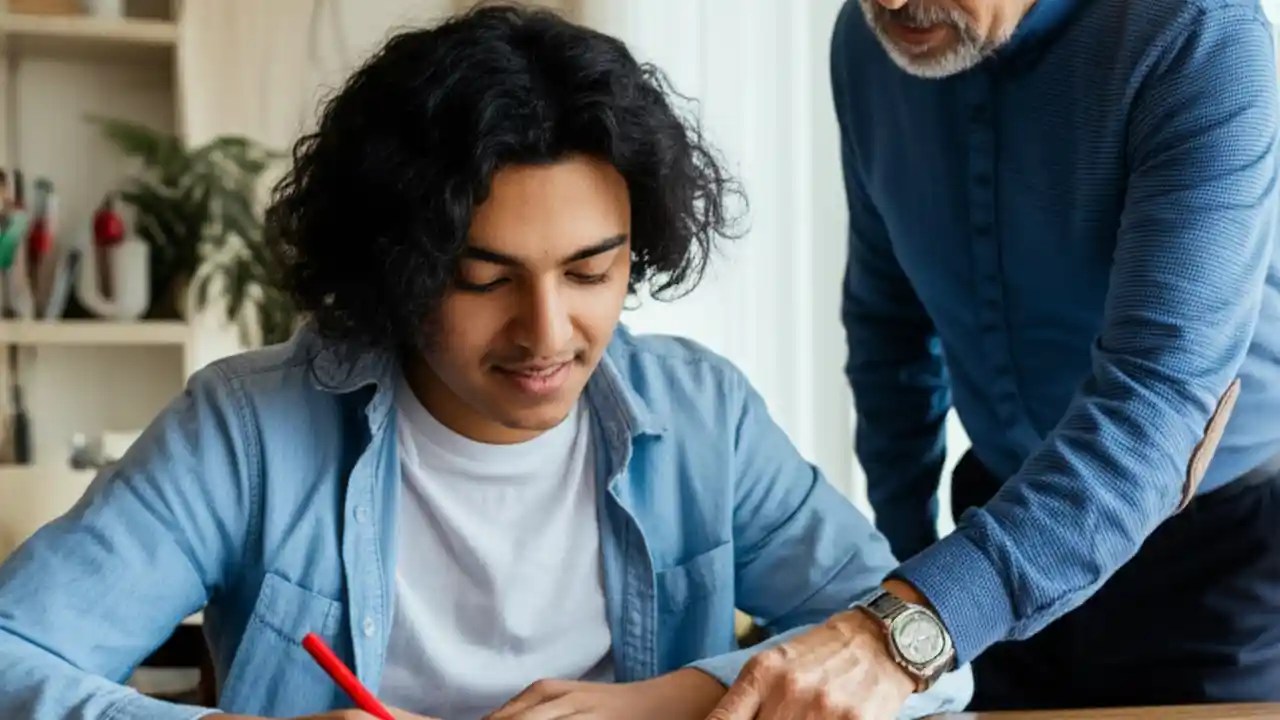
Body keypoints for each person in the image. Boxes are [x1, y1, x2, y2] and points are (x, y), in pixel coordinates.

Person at [0, 5, 972, 720]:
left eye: (592, 271)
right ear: (395, 267)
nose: (547, 333)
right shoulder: (246, 431)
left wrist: (665, 702)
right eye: (480, 278)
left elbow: (931, 659)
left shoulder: (700, 416)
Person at [708, 0, 1280, 717]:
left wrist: (902, 629)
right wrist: (896, 570)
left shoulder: (1198, 35)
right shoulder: (866, 44)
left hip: (1213, 562)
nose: (887, 2)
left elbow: (1159, 396)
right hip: (989, 523)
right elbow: (890, 326)